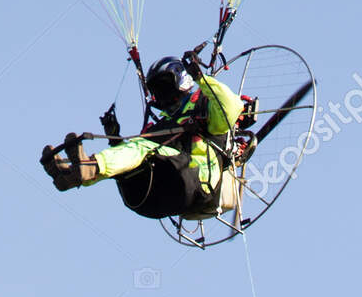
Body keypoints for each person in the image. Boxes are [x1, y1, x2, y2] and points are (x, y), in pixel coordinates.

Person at [41, 55, 248, 220]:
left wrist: (200, 78)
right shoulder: (161, 126)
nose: (163, 97)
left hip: (195, 182)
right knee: (135, 154)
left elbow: (231, 107)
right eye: (158, 92)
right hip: (153, 195)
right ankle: (73, 175)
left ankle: (89, 167)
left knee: (141, 147)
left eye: (166, 88)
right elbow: (130, 157)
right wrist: (115, 139)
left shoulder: (205, 108)